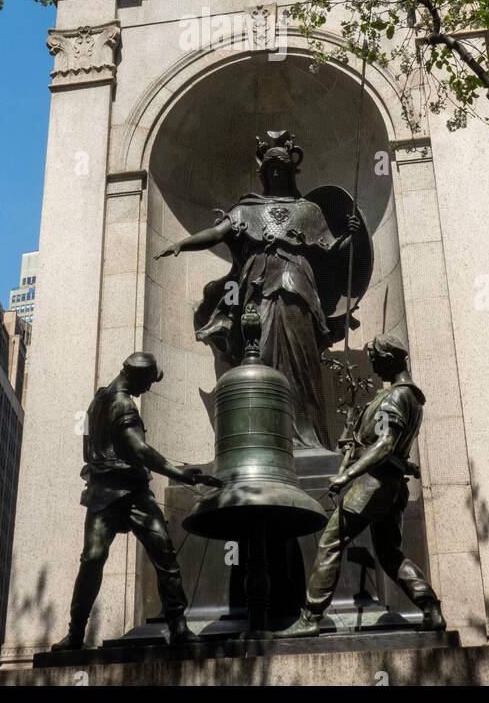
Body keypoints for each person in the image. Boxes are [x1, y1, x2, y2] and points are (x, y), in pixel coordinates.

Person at [156, 130, 359, 450]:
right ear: (264, 174)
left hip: (298, 288)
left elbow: (332, 251)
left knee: (302, 362)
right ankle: (265, 438)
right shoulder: (246, 209)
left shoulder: (309, 210)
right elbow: (217, 233)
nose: (277, 174)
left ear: (292, 173)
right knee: (260, 354)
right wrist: (184, 243)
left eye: (282, 169)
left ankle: (308, 439)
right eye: (271, 170)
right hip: (258, 289)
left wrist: (350, 236)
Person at [279, 334, 446, 635]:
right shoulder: (411, 399)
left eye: (376, 362)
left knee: (330, 540)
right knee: (390, 554)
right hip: (392, 485)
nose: (374, 369)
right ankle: (430, 608)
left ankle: (311, 617)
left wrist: (348, 474)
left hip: (374, 484)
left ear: (391, 359)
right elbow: (394, 450)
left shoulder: (396, 396)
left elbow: (384, 445)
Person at [52, 351, 217, 650]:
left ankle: (177, 626)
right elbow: (142, 451)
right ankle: (78, 632)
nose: (149, 389)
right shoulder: (121, 405)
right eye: (149, 382)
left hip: (114, 491)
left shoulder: (100, 398)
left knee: (153, 553)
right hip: (116, 494)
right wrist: (181, 474)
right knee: (109, 559)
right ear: (136, 377)